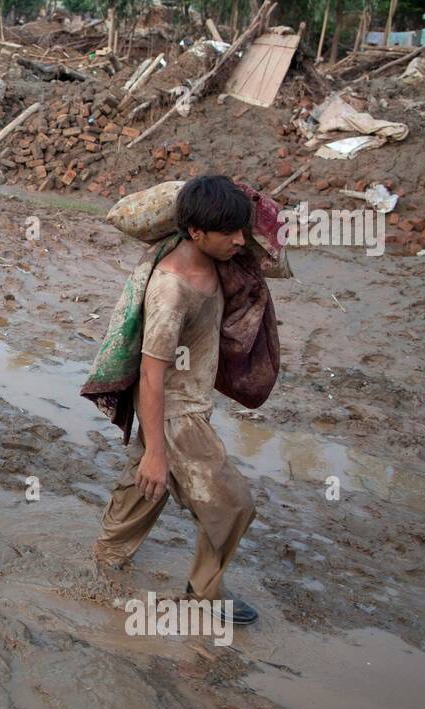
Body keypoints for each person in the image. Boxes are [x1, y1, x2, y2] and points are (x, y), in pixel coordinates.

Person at [93, 175, 261, 624]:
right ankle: (205, 590)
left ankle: (103, 564)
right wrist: (158, 451)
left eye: (243, 231)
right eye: (230, 233)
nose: (240, 242)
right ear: (196, 234)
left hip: (182, 406)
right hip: (176, 413)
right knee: (234, 504)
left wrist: (154, 460)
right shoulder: (172, 290)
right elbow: (151, 373)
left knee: (144, 491)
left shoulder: (215, 264)